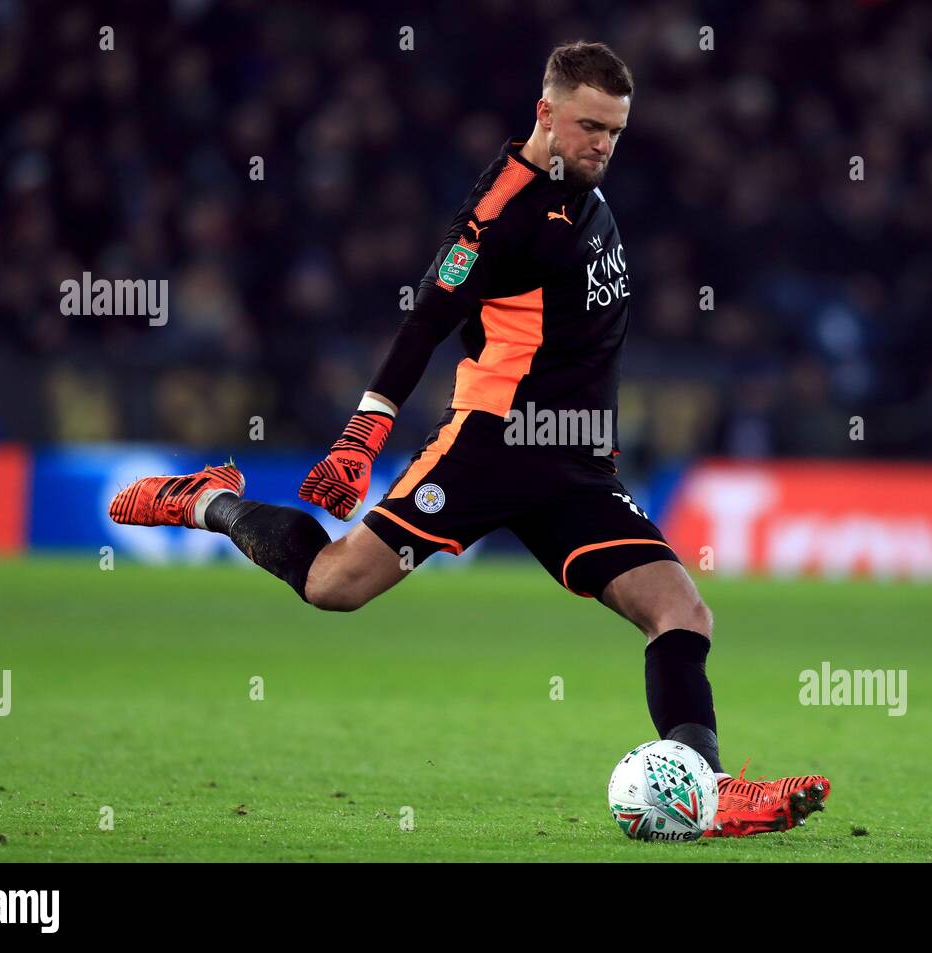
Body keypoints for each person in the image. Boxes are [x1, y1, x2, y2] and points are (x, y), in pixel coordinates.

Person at [110, 40, 829, 836]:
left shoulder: (585, 190)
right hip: (492, 446)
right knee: (333, 585)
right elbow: (427, 320)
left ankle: (713, 787)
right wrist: (360, 436)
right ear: (545, 113)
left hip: (576, 464)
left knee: (682, 611)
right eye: (590, 126)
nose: (603, 146)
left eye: (616, 132)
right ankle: (208, 501)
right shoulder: (500, 211)